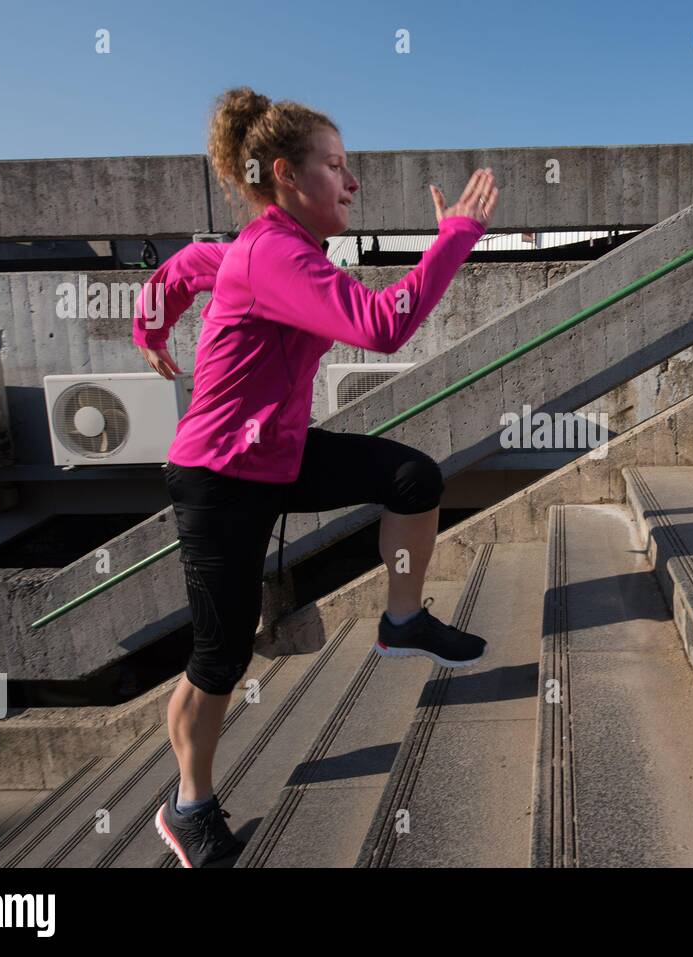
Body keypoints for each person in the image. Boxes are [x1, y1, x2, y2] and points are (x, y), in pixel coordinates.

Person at [131, 86, 498, 868]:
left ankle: (402, 618)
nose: (352, 181)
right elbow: (382, 323)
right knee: (220, 657)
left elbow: (191, 264)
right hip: (220, 477)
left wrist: (150, 324)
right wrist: (455, 239)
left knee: (412, 477)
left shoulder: (256, 250)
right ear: (286, 178)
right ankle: (188, 804)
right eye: (336, 166)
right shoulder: (274, 253)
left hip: (282, 452)